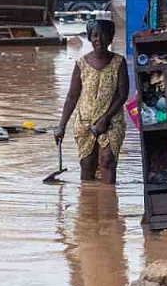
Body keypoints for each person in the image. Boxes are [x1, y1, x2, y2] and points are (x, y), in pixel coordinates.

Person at [55, 20, 129, 185]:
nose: (99, 40)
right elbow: (72, 96)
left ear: (110, 38)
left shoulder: (119, 62)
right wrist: (61, 126)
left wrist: (105, 119)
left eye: (104, 35)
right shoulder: (81, 64)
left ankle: (109, 198)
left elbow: (122, 95)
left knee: (107, 161)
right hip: (85, 122)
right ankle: (89, 199)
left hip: (111, 122)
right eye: (95, 35)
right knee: (87, 165)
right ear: (89, 37)